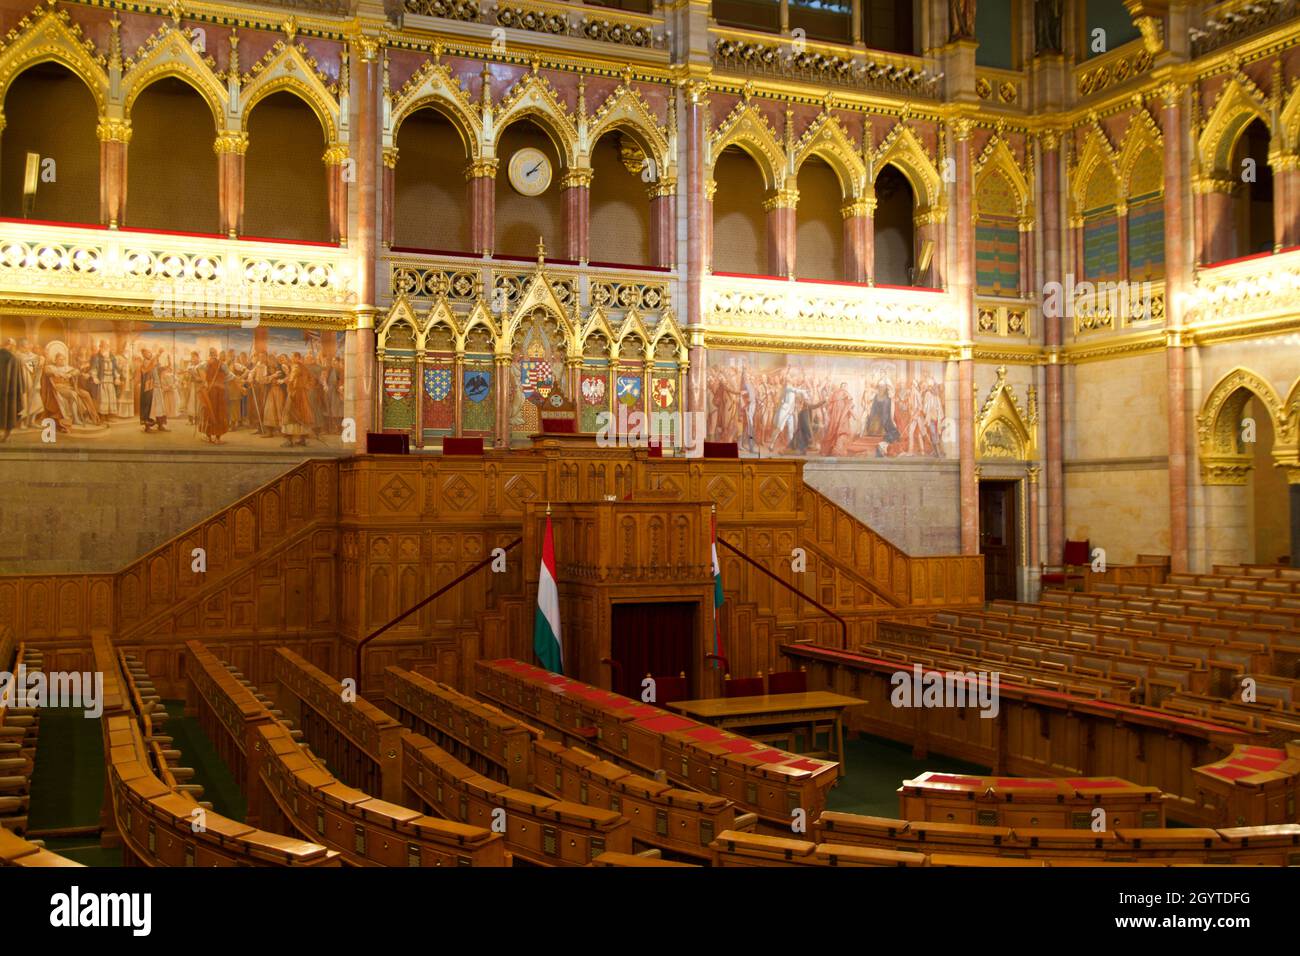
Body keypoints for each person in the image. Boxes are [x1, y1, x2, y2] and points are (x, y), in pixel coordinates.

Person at [281, 353, 315, 447]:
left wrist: (286, 381)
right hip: (302, 393)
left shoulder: (295, 366)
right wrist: (306, 387)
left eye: (293, 357)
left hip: (294, 393)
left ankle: (289, 440)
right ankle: (302, 440)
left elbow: (291, 379)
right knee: (303, 414)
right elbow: (311, 379)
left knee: (289, 414)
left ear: (297, 358)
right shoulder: (304, 367)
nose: (291, 358)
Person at [198, 347, 230, 443]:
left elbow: (196, 369)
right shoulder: (223, 364)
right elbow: (228, 375)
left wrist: (204, 382)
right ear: (217, 354)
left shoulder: (205, 363)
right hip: (219, 391)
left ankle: (208, 437)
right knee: (218, 413)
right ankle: (217, 438)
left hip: (210, 391)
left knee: (209, 411)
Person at [138, 348, 168, 432]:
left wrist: (166, 365)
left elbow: (158, 369)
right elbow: (147, 369)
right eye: (146, 353)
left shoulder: (153, 362)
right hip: (149, 388)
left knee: (159, 406)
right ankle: (147, 427)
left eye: (149, 352)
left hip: (157, 386)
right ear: (143, 355)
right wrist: (158, 354)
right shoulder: (145, 362)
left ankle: (160, 424)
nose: (148, 353)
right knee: (149, 406)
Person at [0, 339, 25, 441]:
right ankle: (6, 435)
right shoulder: (15, 358)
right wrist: (21, 390)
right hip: (11, 393)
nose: (14, 347)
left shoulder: (14, 358)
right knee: (10, 412)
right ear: (9, 345)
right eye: (13, 345)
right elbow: (20, 380)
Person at [90, 340, 121, 420]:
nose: (106, 348)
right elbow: (94, 368)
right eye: (103, 346)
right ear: (100, 347)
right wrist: (95, 377)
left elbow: (115, 369)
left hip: (110, 379)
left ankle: (109, 415)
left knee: (111, 396)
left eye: (107, 346)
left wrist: (117, 377)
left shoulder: (112, 357)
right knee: (103, 397)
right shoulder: (96, 357)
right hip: (102, 379)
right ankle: (102, 415)